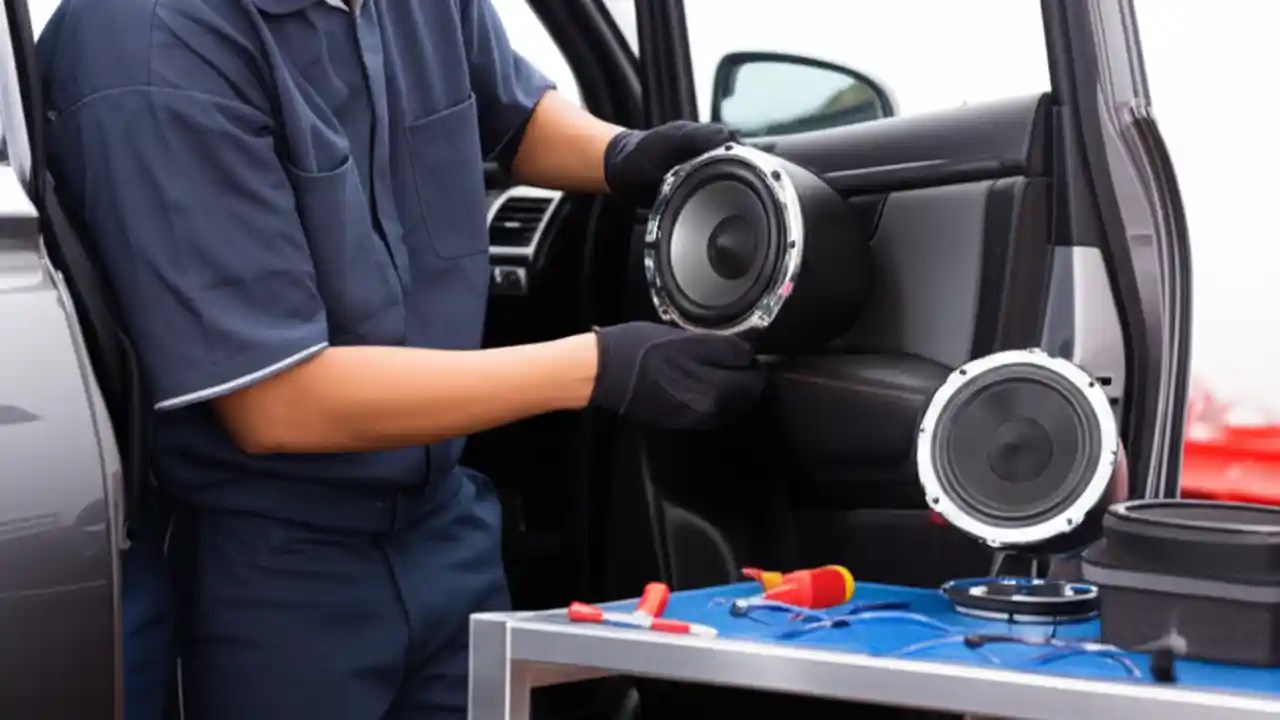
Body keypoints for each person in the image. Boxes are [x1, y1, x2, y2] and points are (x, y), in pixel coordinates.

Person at [37, 0, 764, 718]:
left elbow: (505, 110)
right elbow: (278, 403)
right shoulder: (151, 42)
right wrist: (600, 367)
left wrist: (622, 156)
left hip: (443, 522)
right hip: (262, 559)